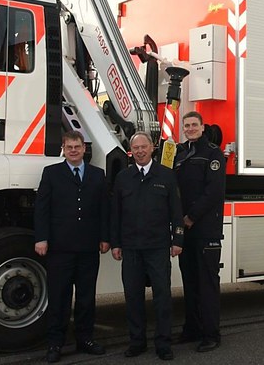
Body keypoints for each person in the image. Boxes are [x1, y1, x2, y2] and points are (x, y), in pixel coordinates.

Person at [33, 130, 110, 363]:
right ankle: (55, 343)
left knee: (86, 298)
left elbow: (104, 209)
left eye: (77, 147)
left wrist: (105, 237)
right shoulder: (51, 173)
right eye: (69, 147)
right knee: (59, 298)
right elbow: (42, 208)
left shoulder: (98, 175)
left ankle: (85, 339)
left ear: (84, 149)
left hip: (88, 247)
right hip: (59, 248)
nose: (73, 151)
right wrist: (41, 238)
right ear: (63, 149)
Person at [111, 131, 184, 361]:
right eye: (136, 148)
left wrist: (178, 240)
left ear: (152, 148)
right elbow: (116, 214)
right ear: (130, 152)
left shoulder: (166, 176)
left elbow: (176, 211)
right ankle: (137, 342)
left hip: (158, 247)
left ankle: (163, 344)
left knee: (162, 297)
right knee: (133, 297)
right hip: (131, 247)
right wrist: (116, 243)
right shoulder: (123, 177)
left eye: (144, 147)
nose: (140, 151)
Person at [173, 111, 226, 352]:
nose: (190, 128)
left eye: (194, 125)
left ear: (203, 127)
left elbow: (213, 191)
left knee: (207, 284)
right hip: (186, 230)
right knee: (190, 281)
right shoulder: (179, 153)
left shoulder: (213, 153)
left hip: (205, 230)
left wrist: (191, 217)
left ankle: (211, 334)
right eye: (187, 125)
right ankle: (192, 329)